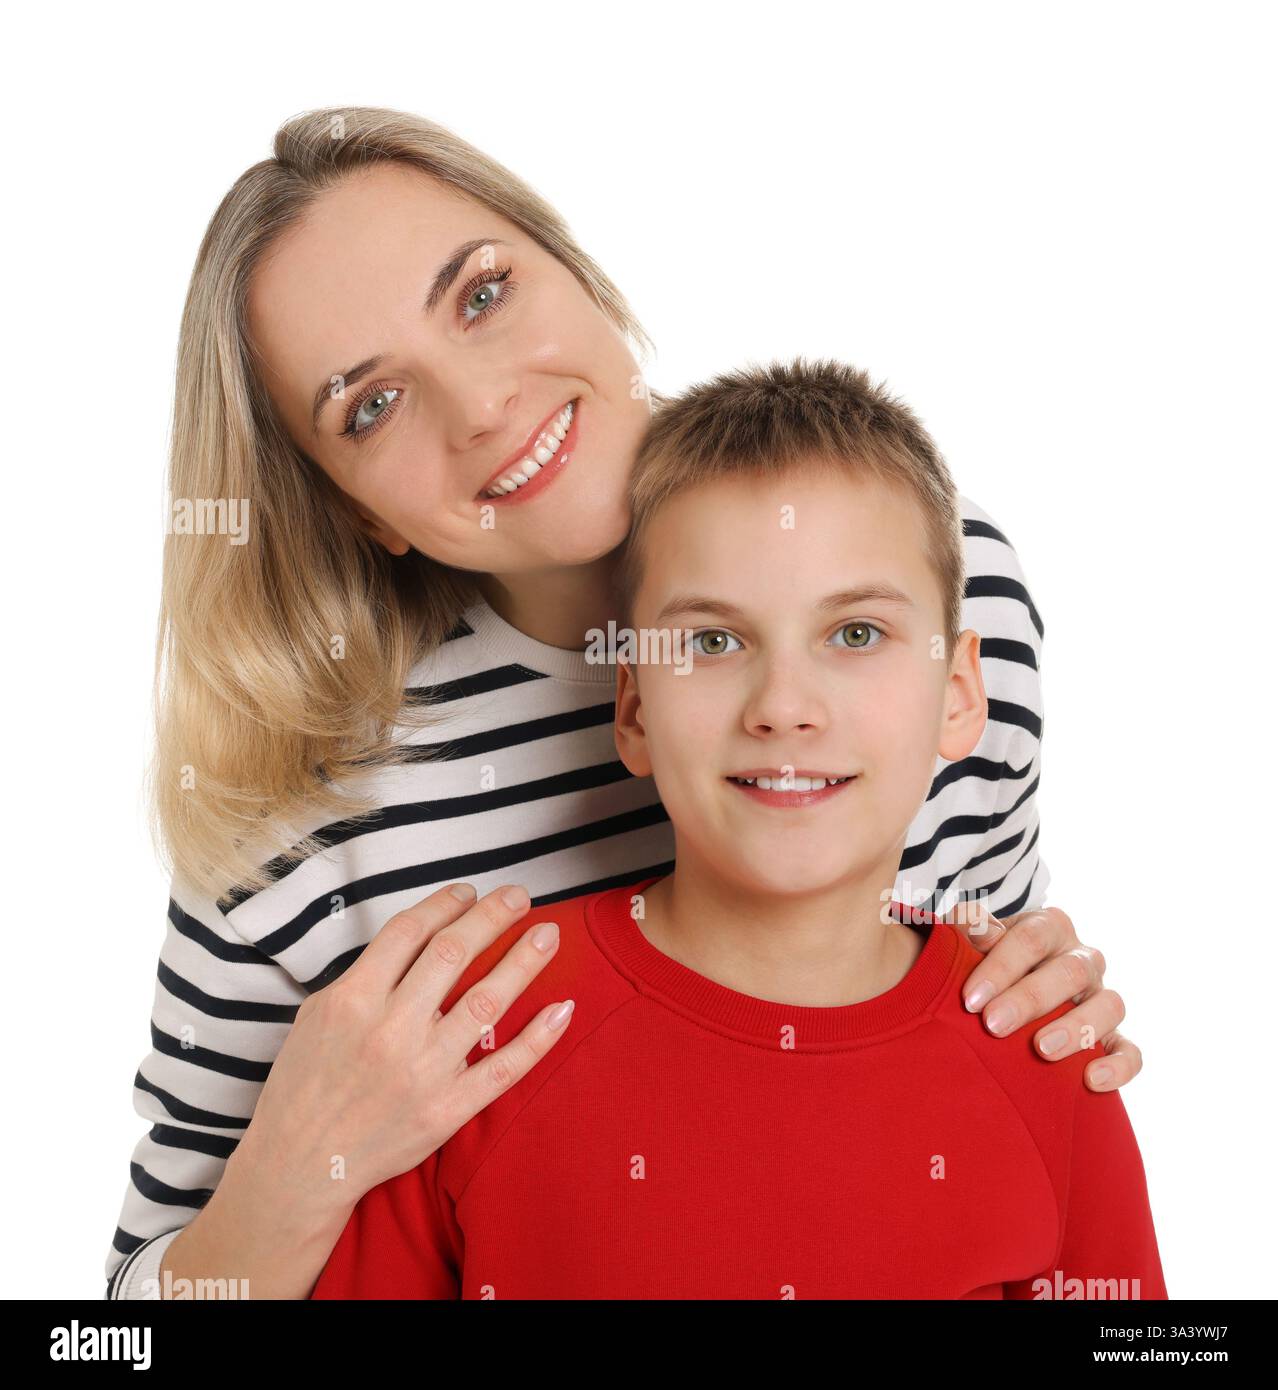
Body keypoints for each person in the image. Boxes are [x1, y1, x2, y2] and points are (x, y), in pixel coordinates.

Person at [106, 107, 1139, 1301]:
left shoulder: (959, 596)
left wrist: (1045, 1005)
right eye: (372, 405)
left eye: (482, 294)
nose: (484, 405)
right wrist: (292, 1171)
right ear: (355, 513)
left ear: (582, 276)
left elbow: (981, 990)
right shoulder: (293, 831)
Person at [310, 358, 1166, 1299]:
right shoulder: (478, 1038)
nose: (784, 707)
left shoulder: (1044, 1048)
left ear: (959, 693)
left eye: (855, 635)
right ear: (632, 708)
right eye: (713, 642)